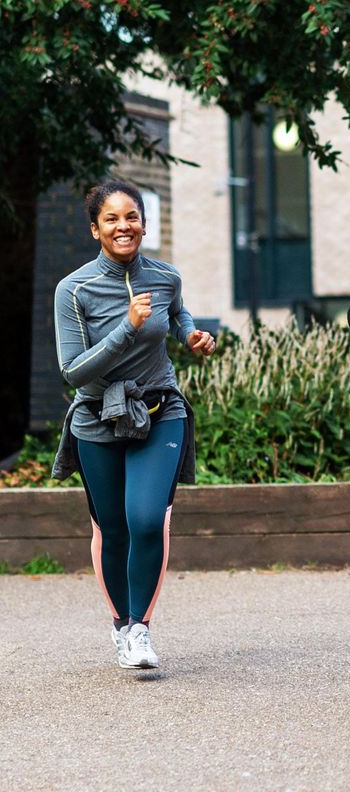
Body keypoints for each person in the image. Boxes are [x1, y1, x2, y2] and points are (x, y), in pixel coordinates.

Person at [51, 180, 216, 669]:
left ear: (144, 222)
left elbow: (178, 311)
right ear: (95, 229)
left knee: (146, 518)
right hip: (98, 417)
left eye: (132, 216)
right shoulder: (73, 289)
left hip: (160, 410)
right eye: (112, 219)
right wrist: (127, 329)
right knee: (114, 527)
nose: (124, 226)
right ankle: (122, 626)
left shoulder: (165, 276)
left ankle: (140, 630)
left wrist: (191, 336)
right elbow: (73, 370)